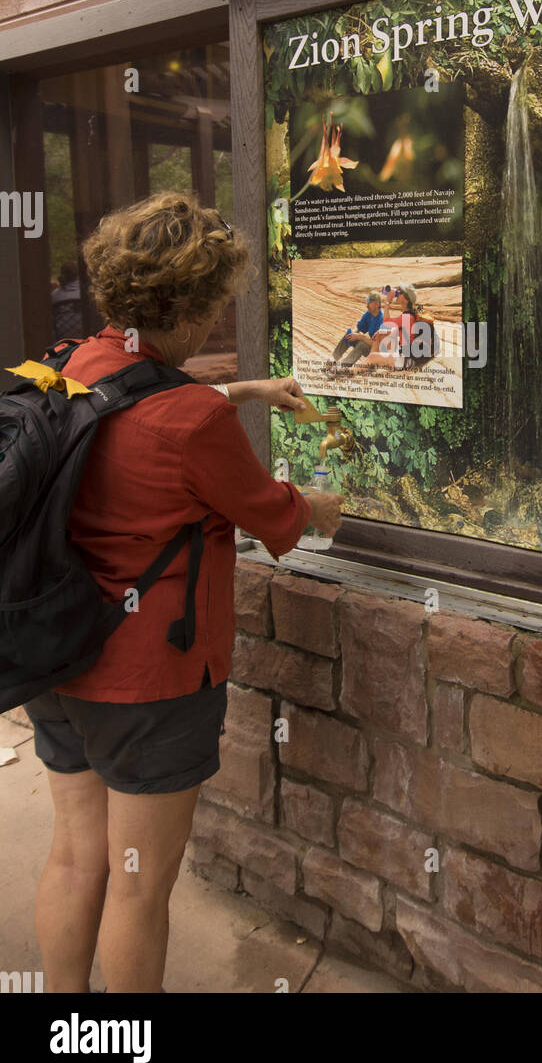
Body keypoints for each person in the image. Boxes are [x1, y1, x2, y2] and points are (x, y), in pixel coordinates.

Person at [21, 191, 343, 994]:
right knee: (140, 888)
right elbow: (278, 516)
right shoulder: (195, 426)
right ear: (195, 307)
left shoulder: (64, 363)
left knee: (75, 856)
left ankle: (71, 1029)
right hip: (150, 686)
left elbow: (126, 411)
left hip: (57, 660)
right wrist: (329, 503)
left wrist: (245, 391)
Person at [347, 283, 419, 373]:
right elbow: (398, 330)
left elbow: (386, 322)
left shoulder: (407, 317)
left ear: (406, 299)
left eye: (400, 292)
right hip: (402, 353)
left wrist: (388, 302)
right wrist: (383, 332)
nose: (397, 293)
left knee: (372, 356)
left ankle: (350, 371)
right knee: (378, 337)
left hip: (404, 360)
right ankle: (369, 365)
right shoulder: (409, 314)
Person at [327, 290, 383, 369]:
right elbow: (359, 327)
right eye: (367, 302)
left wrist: (360, 337)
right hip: (372, 347)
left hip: (378, 352)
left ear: (377, 304)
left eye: (369, 302)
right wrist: (353, 333)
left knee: (362, 345)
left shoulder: (381, 320)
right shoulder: (369, 313)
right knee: (349, 335)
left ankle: (342, 367)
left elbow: (377, 345)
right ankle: (333, 359)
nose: (367, 305)